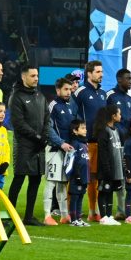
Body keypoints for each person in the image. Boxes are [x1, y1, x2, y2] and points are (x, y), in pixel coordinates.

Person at [6, 63, 45, 224]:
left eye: (37, 76)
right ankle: (10, 216)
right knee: (19, 179)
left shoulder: (39, 96)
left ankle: (29, 216)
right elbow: (18, 123)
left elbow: (46, 119)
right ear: (24, 77)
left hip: (39, 144)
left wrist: (44, 136)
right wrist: (36, 136)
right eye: (32, 76)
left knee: (35, 180)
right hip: (24, 144)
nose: (36, 78)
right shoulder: (17, 97)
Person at [43, 76, 78, 225]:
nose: (69, 92)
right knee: (51, 182)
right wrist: (61, 142)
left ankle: (64, 215)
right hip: (55, 150)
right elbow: (47, 128)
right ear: (58, 90)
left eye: (70, 89)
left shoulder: (71, 105)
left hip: (67, 150)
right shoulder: (53, 105)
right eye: (65, 89)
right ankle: (47, 215)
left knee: (63, 183)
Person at [75, 61, 106, 214]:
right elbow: (73, 115)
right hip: (84, 143)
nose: (101, 74)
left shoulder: (102, 93)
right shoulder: (80, 92)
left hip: (100, 143)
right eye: (98, 72)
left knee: (96, 177)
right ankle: (71, 212)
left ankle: (94, 211)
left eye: (102, 71)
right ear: (89, 73)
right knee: (79, 177)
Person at [94, 105, 124, 225]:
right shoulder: (104, 131)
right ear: (113, 116)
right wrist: (107, 169)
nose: (121, 116)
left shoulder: (116, 130)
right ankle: (103, 216)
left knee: (111, 191)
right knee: (104, 191)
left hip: (116, 168)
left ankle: (109, 215)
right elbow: (103, 152)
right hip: (106, 169)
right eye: (119, 114)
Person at [66, 116, 91, 228]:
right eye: (82, 128)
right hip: (77, 177)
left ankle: (79, 218)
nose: (85, 130)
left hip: (84, 175)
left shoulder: (84, 143)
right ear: (75, 131)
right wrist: (76, 175)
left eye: (85, 128)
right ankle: (73, 219)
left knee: (80, 196)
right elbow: (72, 161)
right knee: (75, 197)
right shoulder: (75, 144)